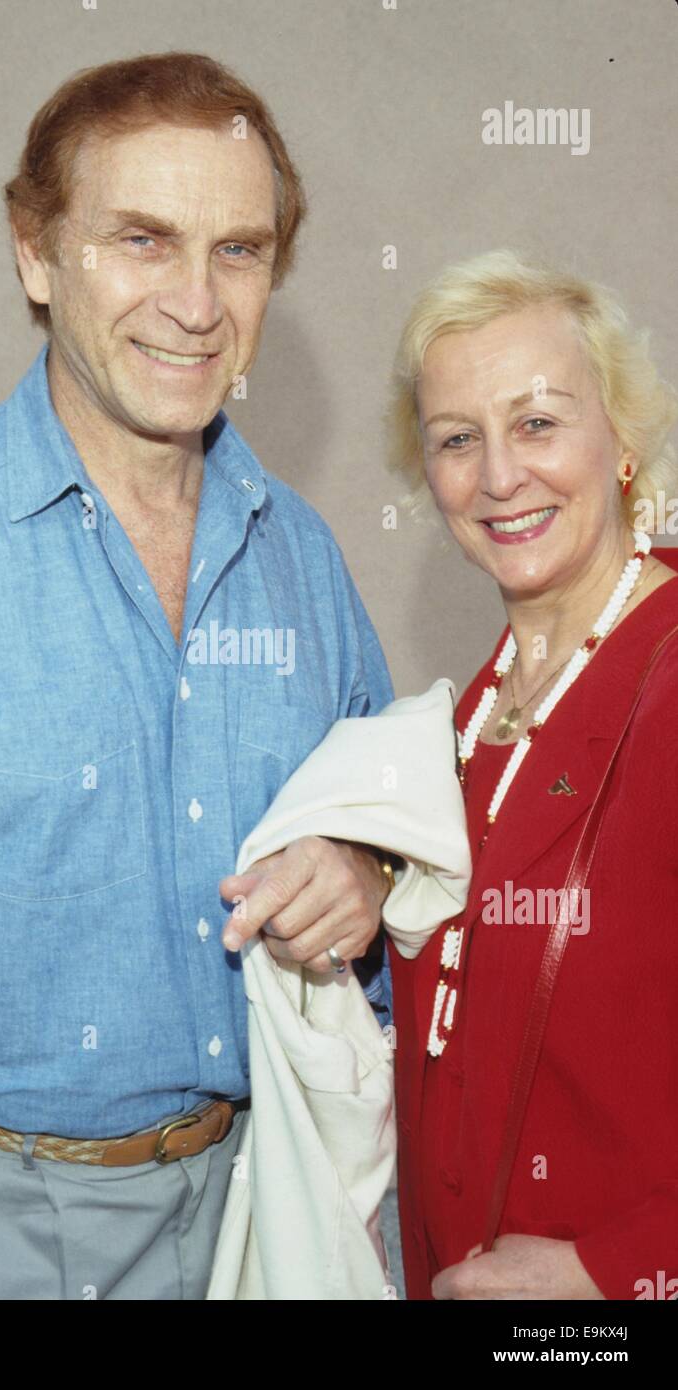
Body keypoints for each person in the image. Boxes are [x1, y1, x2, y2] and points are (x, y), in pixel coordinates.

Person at [0, 52, 394, 1302]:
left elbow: (390, 839)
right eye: (140, 239)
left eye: (236, 250)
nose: (193, 301)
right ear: (34, 254)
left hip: (256, 1213)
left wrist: (365, 871)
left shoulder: (302, 561)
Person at [384, 249, 678, 1299]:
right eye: (456, 439)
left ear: (624, 439)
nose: (498, 475)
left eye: (538, 422)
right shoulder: (470, 718)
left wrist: (619, 1273)